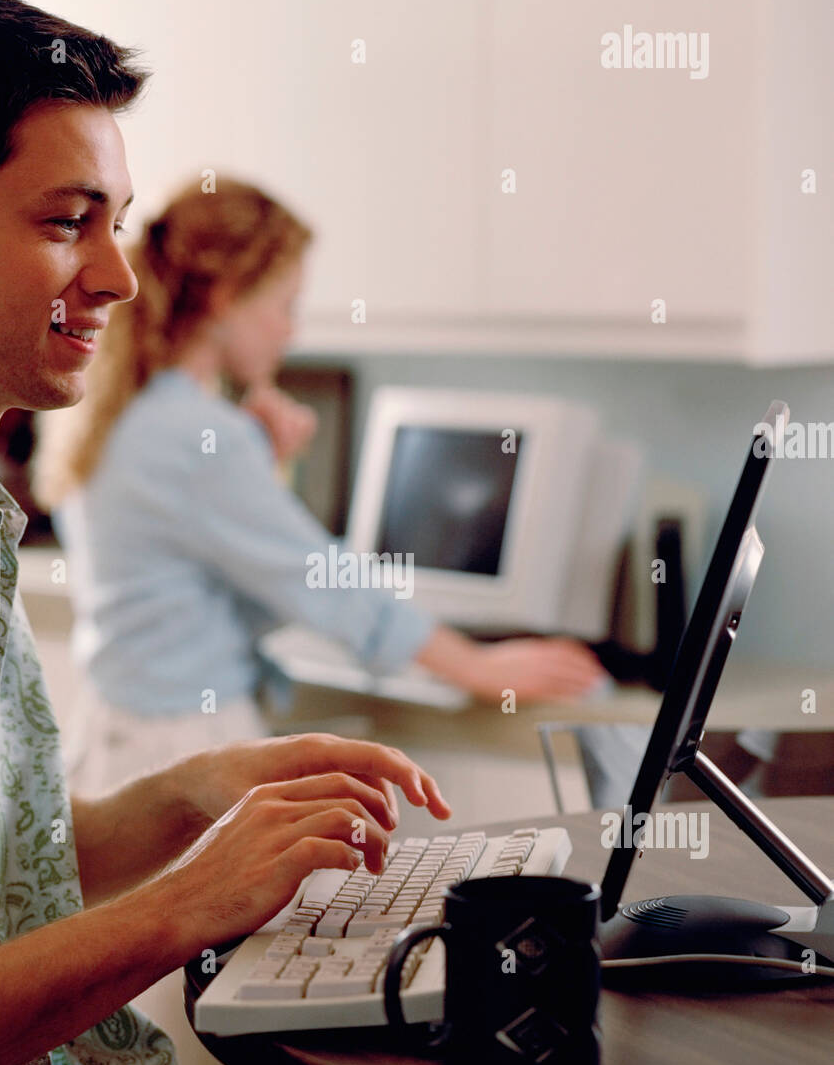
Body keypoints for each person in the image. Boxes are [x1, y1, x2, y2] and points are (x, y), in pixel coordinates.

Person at [0, 0, 596, 1065]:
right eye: (65, 223)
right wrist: (186, 904)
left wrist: (191, 795)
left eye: (118, 223)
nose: (114, 273)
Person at [32, 177, 606, 799]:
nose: (291, 332)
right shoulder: (204, 436)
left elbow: (232, 586)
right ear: (226, 299)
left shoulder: (129, 410)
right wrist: (475, 664)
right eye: (283, 306)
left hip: (118, 741)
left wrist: (265, 463)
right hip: (185, 744)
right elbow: (321, 582)